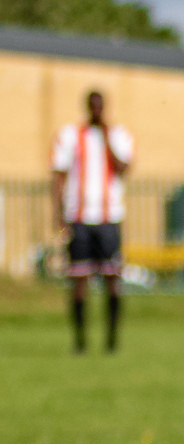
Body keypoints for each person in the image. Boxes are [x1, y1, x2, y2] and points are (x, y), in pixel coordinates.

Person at [50, 90, 133, 354]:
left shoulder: (118, 135)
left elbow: (123, 168)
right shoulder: (70, 135)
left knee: (112, 279)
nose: (96, 110)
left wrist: (106, 138)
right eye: (93, 106)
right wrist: (58, 214)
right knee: (78, 279)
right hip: (79, 218)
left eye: (100, 106)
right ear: (87, 107)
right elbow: (59, 175)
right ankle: (80, 341)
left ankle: (112, 340)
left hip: (109, 219)